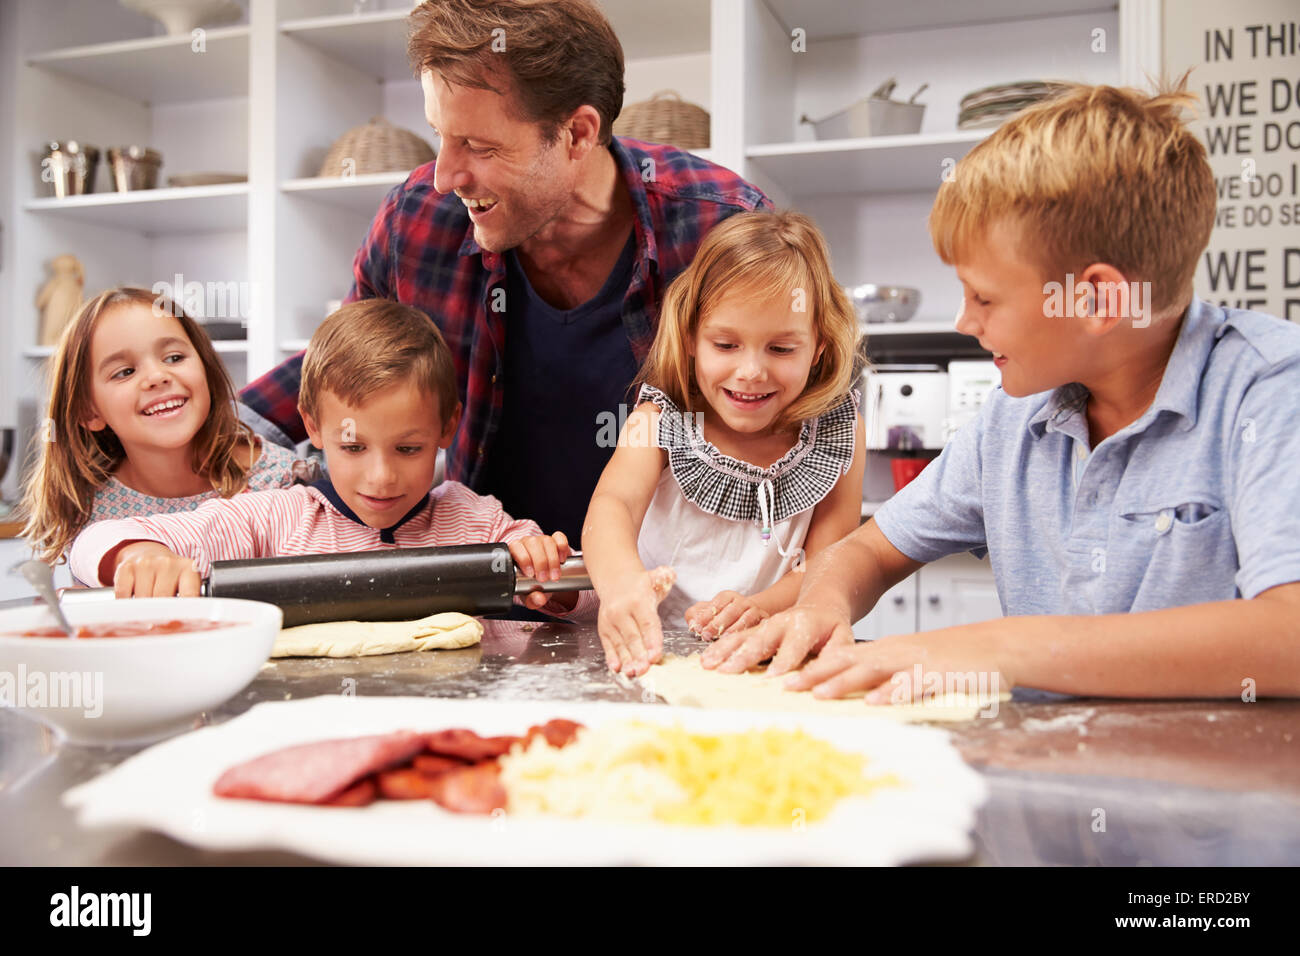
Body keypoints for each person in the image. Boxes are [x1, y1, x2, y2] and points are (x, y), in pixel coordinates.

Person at [703, 79, 1300, 702]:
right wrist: (824, 601)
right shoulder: (1014, 416)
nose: (965, 321)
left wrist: (994, 648)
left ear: (1098, 300)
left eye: (984, 297)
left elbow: (1290, 632)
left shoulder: (1270, 388)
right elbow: (869, 553)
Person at [237, 0, 769, 550]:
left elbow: (825, 408)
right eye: (441, 135)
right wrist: (202, 426)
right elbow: (347, 367)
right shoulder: (417, 218)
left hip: (685, 594)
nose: (445, 176)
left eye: (480, 146)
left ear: (578, 134)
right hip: (488, 588)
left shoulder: (722, 229)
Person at [70, 300, 592, 619]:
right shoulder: (277, 517)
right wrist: (140, 556)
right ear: (313, 428)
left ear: (448, 427)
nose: (382, 477)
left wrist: (550, 579)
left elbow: (580, 590)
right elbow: (94, 543)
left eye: (408, 448)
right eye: (353, 447)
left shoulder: (474, 521)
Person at [582, 211, 866, 676]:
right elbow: (613, 506)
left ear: (818, 347)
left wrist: (760, 608)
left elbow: (830, 566)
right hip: (652, 656)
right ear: (692, 337)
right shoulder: (659, 419)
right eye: (726, 345)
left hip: (769, 661)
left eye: (781, 349)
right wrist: (620, 585)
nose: (751, 372)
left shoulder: (840, 431)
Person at [22, 287, 298, 569]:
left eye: (174, 358)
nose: (157, 377)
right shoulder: (91, 506)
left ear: (206, 369)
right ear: (88, 411)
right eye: (125, 372)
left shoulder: (279, 479)